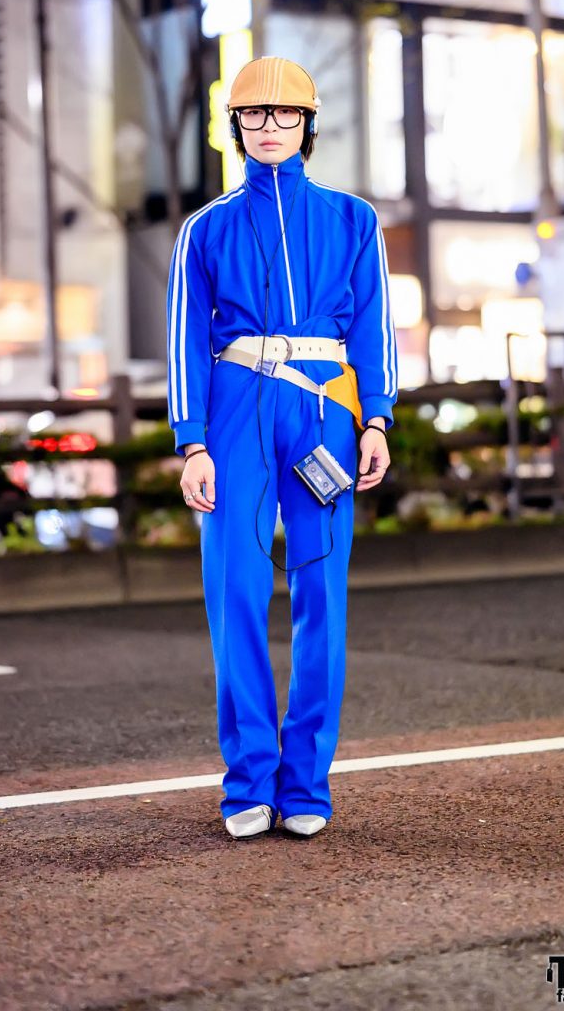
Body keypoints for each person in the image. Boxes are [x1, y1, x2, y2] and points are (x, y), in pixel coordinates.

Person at [166, 55, 398, 839]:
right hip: (234, 409)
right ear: (236, 128)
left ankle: (305, 785)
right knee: (233, 590)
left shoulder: (353, 220)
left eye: (285, 115)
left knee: (321, 595)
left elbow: (373, 328)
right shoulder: (205, 229)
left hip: (326, 410)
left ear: (308, 124)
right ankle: (247, 784)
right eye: (254, 116)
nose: (270, 128)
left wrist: (376, 422)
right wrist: (191, 442)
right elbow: (187, 341)